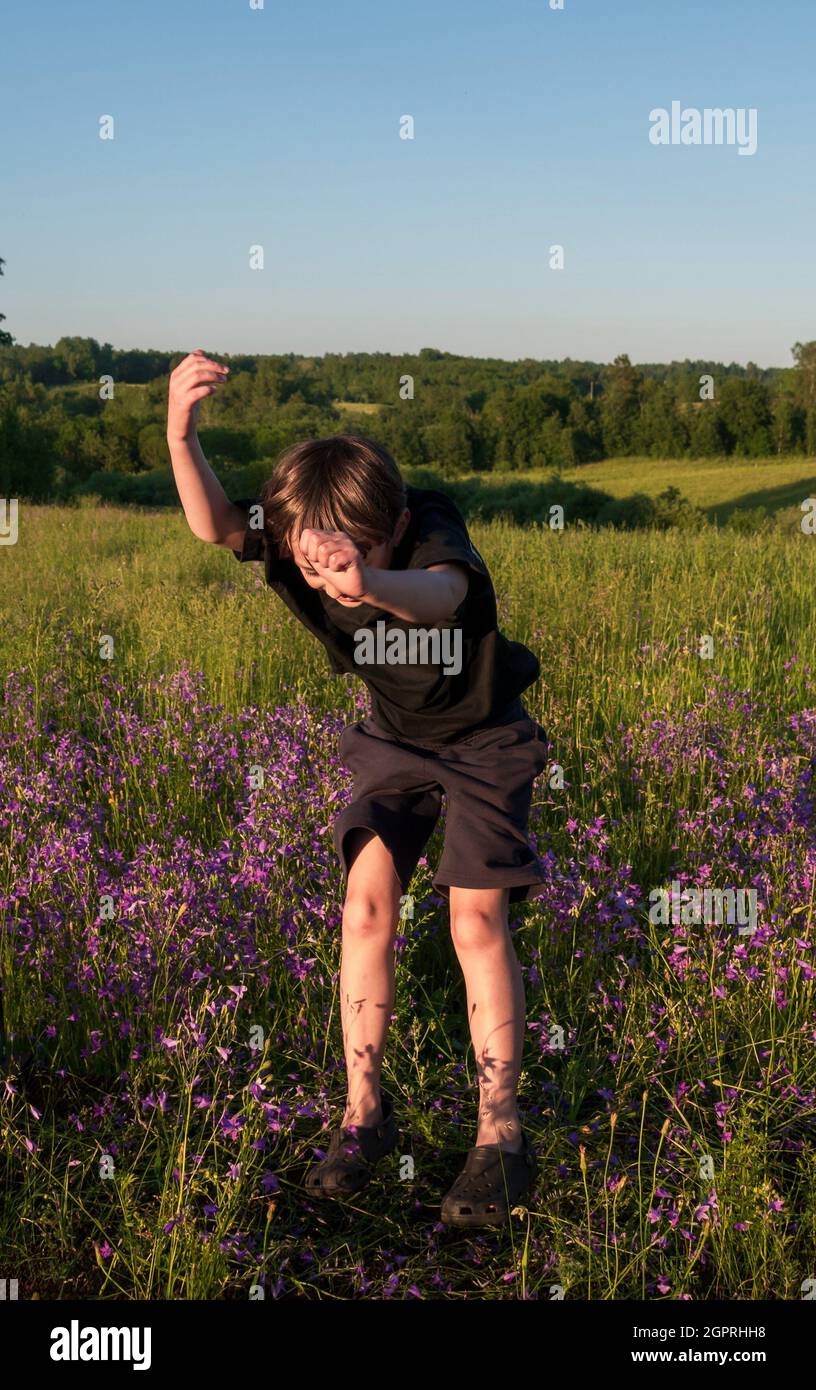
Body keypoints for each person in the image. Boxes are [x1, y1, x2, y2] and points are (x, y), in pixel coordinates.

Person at [167, 350, 550, 1227]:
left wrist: (368, 581)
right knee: (365, 907)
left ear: (395, 524)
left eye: (341, 552)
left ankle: (502, 1138)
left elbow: (446, 598)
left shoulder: (425, 536)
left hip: (487, 740)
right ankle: (363, 1115)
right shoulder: (301, 536)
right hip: (394, 740)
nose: (320, 572)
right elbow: (217, 523)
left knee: (473, 919)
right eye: (306, 559)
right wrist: (181, 433)